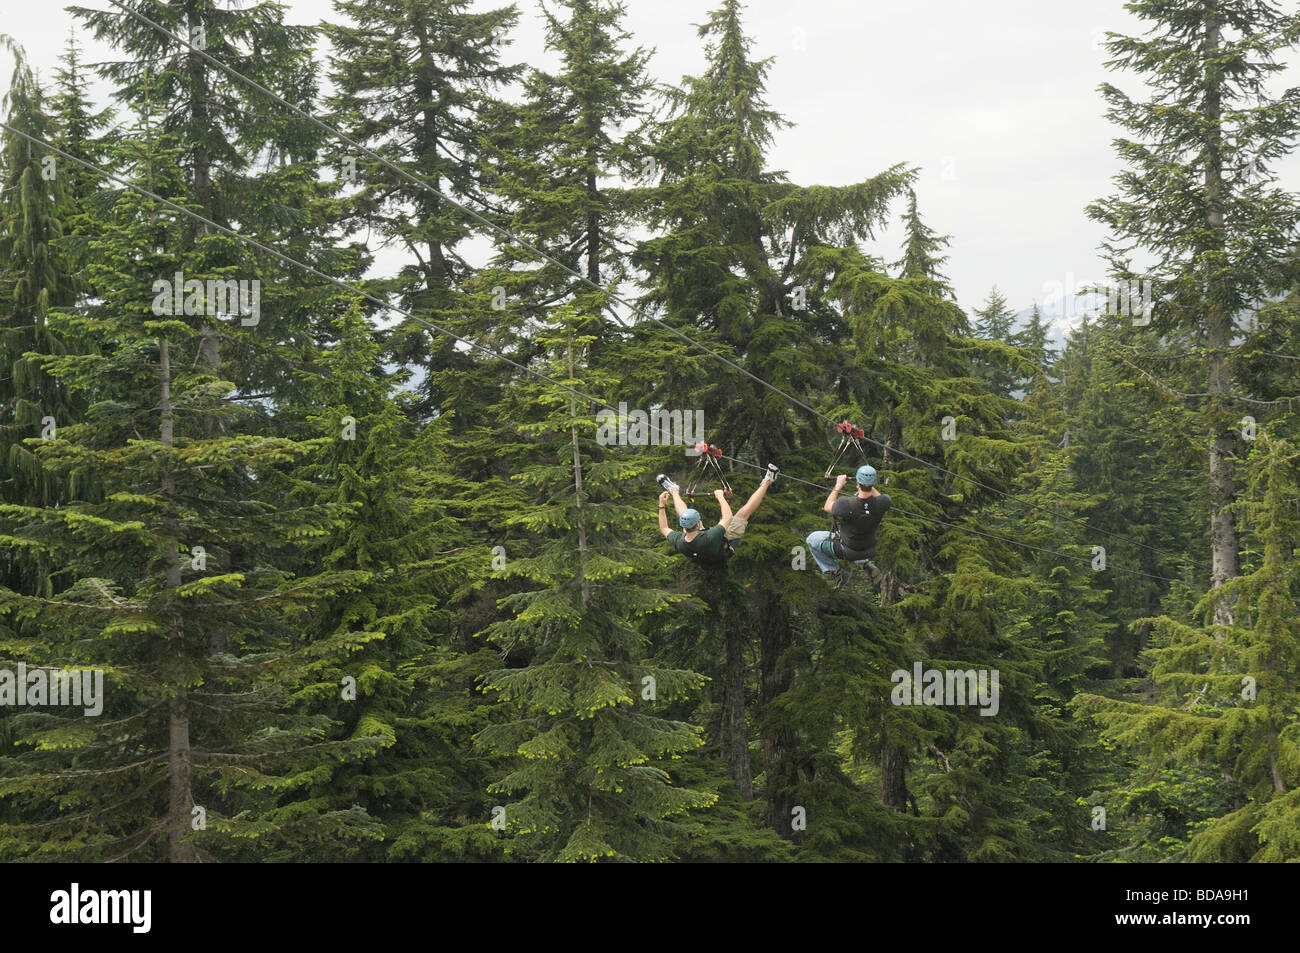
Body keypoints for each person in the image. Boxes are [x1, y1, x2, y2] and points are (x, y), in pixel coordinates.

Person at [656, 464, 779, 566]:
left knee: (684, 514)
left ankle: (674, 491)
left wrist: (662, 505)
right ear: (698, 523)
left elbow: (664, 528)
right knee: (743, 514)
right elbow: (728, 517)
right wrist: (720, 497)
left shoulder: (680, 541)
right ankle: (769, 480)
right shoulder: (711, 535)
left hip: (702, 548)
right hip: (725, 545)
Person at [806, 464, 891, 588]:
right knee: (855, 537)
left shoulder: (846, 504)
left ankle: (836, 571)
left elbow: (827, 506)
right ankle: (866, 564)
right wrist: (869, 484)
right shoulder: (883, 502)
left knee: (812, 539)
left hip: (847, 549)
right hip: (868, 548)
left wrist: (838, 485)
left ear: (857, 483)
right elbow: (878, 496)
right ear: (874, 484)